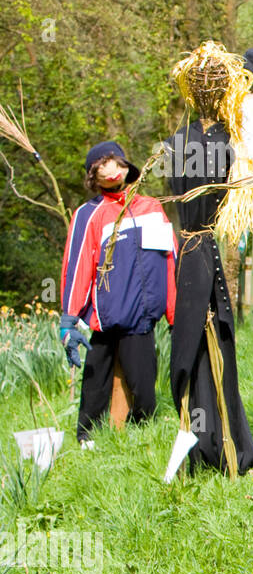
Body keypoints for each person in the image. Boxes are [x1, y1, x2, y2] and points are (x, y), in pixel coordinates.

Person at [166, 42, 253, 476]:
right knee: (201, 341)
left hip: (194, 250)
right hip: (197, 250)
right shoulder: (213, 143)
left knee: (202, 341)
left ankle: (214, 445)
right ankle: (212, 445)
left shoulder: (203, 141)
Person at [60, 141, 176, 447]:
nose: (110, 169)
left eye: (114, 162)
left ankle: (142, 440)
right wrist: (69, 319)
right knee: (95, 383)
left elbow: (169, 261)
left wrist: (175, 314)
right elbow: (78, 266)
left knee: (144, 387)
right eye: (101, 166)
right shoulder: (89, 214)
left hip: (140, 319)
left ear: (125, 166)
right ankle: (87, 440)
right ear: (93, 177)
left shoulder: (150, 208)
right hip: (105, 317)